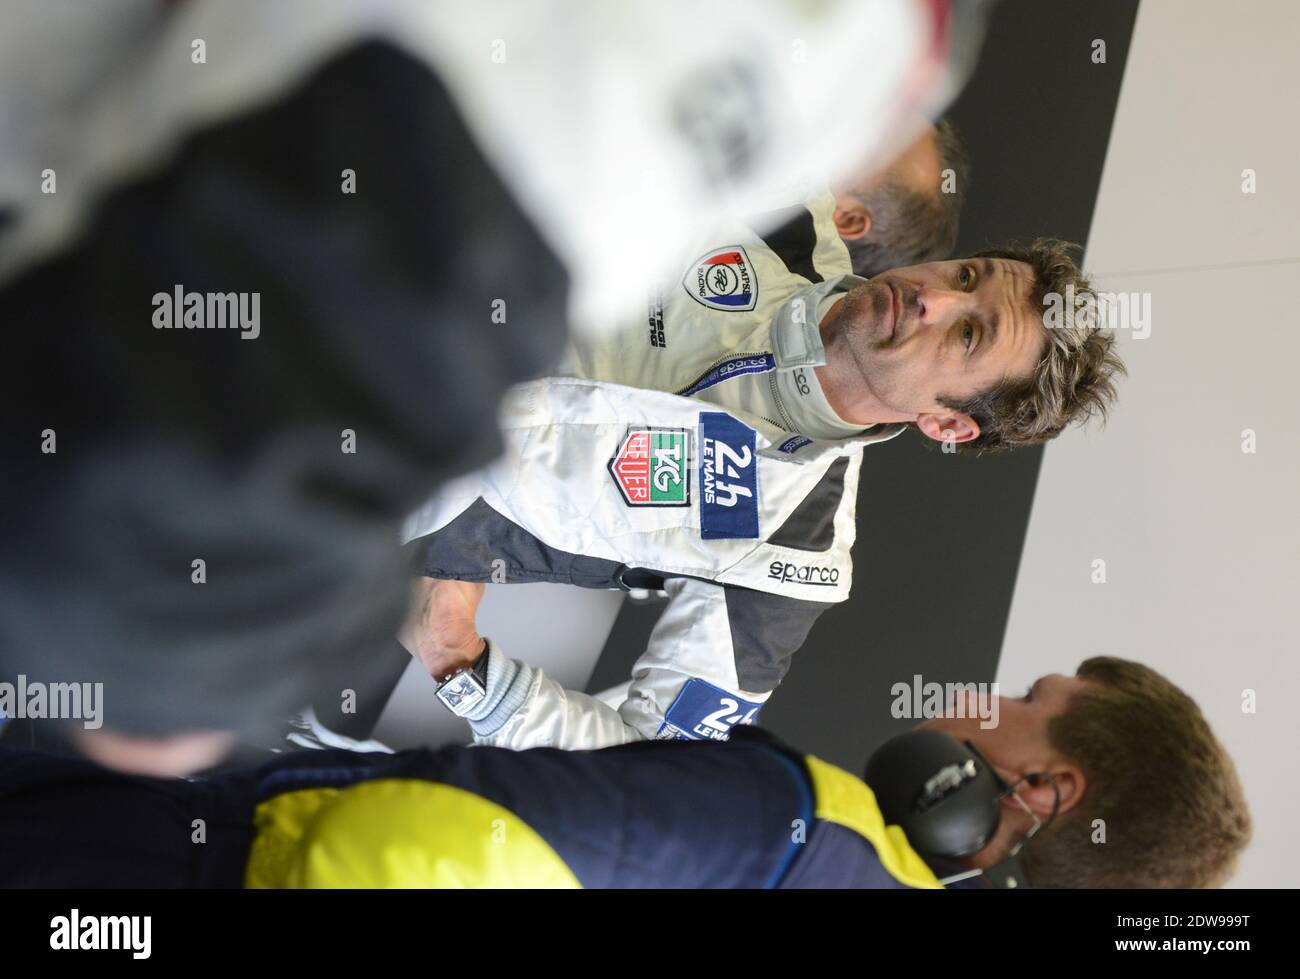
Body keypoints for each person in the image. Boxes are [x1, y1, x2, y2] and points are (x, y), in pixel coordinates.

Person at [403, 240, 1127, 748]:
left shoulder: (795, 548)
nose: (931, 296)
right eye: (967, 275)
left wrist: (458, 660)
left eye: (968, 333)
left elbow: (648, 763)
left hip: (346, 504)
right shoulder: (796, 219)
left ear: (944, 421)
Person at [0, 656, 1250, 889]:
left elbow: (409, 853)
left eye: (1025, 707)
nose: (976, 705)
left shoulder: (803, 825)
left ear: (1043, 793)